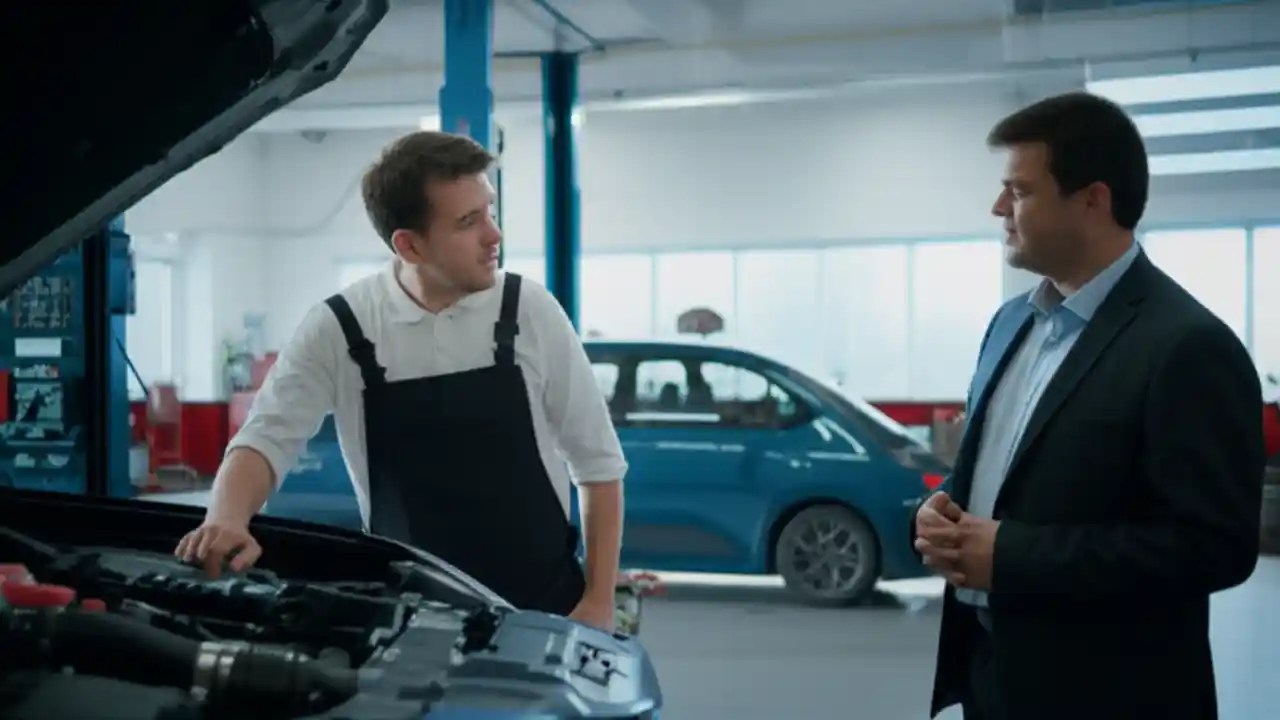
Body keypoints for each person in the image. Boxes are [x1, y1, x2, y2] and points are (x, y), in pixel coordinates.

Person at [173, 130, 627, 630]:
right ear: (409, 245)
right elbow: (264, 439)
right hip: (412, 619)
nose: (494, 235)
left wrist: (599, 603)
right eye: (468, 222)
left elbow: (598, 465)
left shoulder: (530, 311)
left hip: (544, 609)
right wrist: (226, 518)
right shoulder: (343, 326)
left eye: (489, 211)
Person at [913, 91, 1265, 720]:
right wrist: (942, 515)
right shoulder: (1009, 324)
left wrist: (1014, 555)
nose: (999, 208)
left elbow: (1215, 547)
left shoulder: (1186, 346)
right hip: (994, 676)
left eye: (1019, 191)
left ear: (1093, 199)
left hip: (1111, 693)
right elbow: (999, 478)